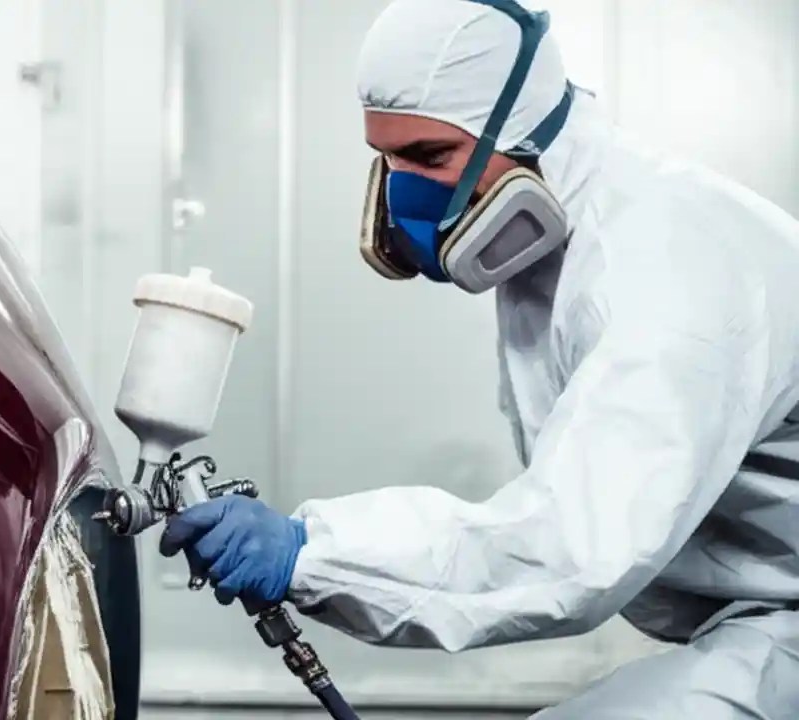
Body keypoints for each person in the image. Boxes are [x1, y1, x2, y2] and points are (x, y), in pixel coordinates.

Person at [157, 0, 799, 716]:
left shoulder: (669, 264)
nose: (402, 193)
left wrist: (310, 553)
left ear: (524, 134)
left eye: (430, 157)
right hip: (765, 615)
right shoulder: (556, 253)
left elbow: (573, 547)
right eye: (388, 159)